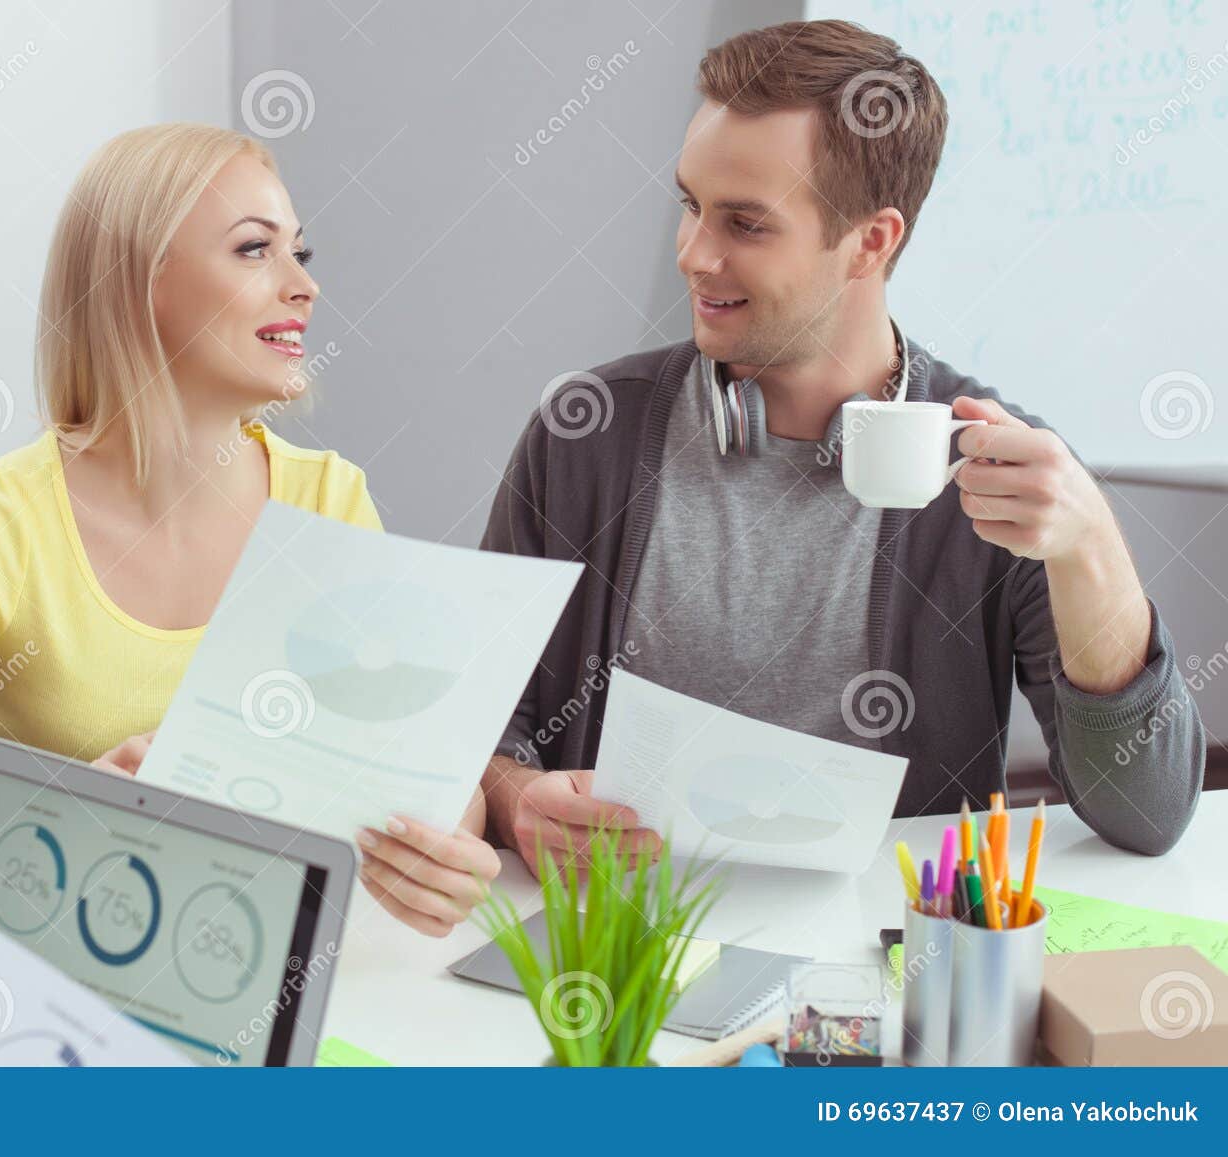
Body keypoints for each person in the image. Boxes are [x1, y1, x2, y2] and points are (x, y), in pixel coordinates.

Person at [478, 20, 1206, 879]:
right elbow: (481, 725)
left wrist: (1091, 548)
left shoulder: (995, 471)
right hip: (614, 959)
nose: (692, 254)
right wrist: (515, 795)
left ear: (872, 240)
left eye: (745, 224)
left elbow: (1148, 813)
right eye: (690, 205)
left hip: (882, 973)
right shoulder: (588, 430)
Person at [0, 123, 498, 936]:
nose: (302, 287)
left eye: (300, 254)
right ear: (137, 283)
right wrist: (69, 837)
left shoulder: (332, 503)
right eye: (252, 250)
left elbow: (433, 782)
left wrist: (447, 844)